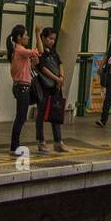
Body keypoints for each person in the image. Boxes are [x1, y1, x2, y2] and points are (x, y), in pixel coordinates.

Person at [6, 24, 40, 155]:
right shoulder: (20, 50)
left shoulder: (19, 51)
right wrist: (38, 34)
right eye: (26, 35)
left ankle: (15, 145)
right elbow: (38, 51)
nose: (28, 37)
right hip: (22, 88)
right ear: (19, 37)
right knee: (20, 118)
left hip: (23, 87)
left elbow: (28, 67)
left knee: (21, 117)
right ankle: (14, 146)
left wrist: (34, 63)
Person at [34, 26, 68, 154]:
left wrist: (62, 77)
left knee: (56, 113)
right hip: (44, 87)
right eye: (50, 38)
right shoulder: (40, 52)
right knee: (41, 114)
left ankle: (58, 142)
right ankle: (41, 141)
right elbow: (43, 68)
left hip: (56, 87)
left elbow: (60, 64)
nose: (52, 41)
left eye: (54, 39)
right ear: (43, 38)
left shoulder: (54, 52)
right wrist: (56, 79)